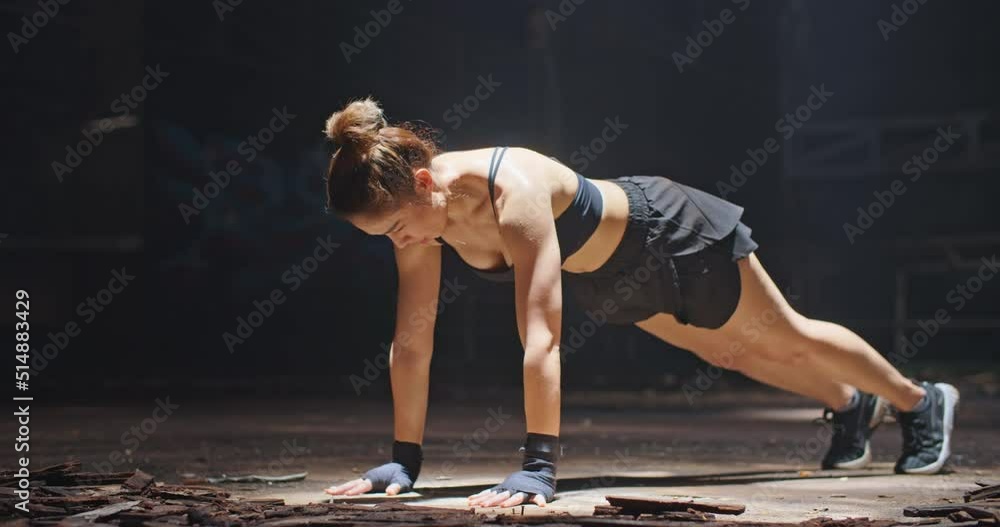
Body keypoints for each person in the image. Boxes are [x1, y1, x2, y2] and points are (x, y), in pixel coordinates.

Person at [321, 98, 959, 508]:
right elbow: (412, 341)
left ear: (425, 183)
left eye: (394, 229)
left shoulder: (510, 189)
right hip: (610, 279)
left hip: (672, 236)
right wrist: (405, 461)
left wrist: (539, 468)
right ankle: (851, 405)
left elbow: (540, 338)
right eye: (383, 237)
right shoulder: (417, 223)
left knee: (787, 334)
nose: (397, 243)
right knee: (731, 354)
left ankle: (919, 401)